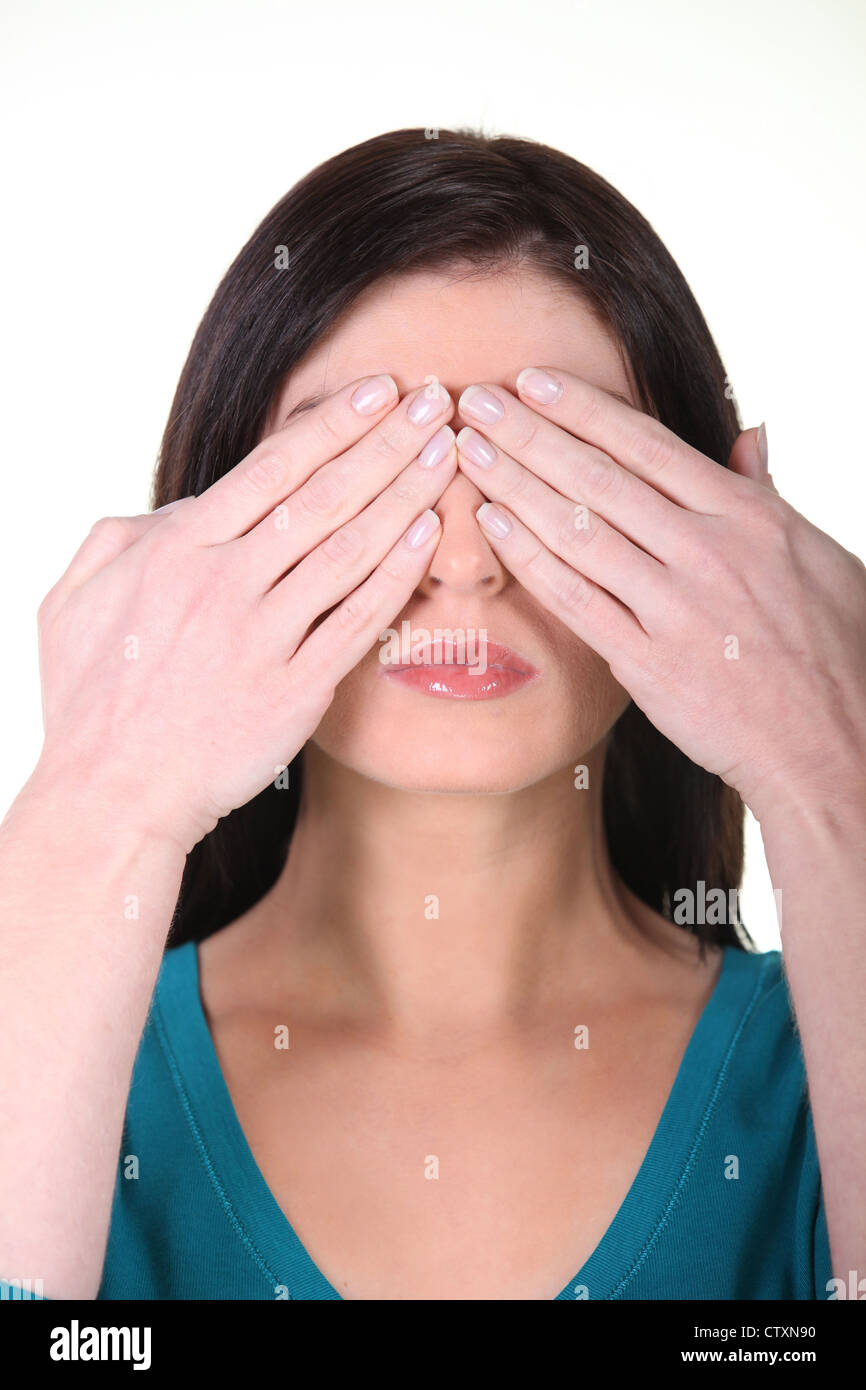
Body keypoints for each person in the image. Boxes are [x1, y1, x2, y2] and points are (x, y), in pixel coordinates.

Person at [1, 128, 863, 1301]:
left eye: (553, 470)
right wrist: (88, 814)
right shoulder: (69, 1040)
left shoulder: (815, 1062)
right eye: (360, 468)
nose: (462, 564)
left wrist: (833, 780)